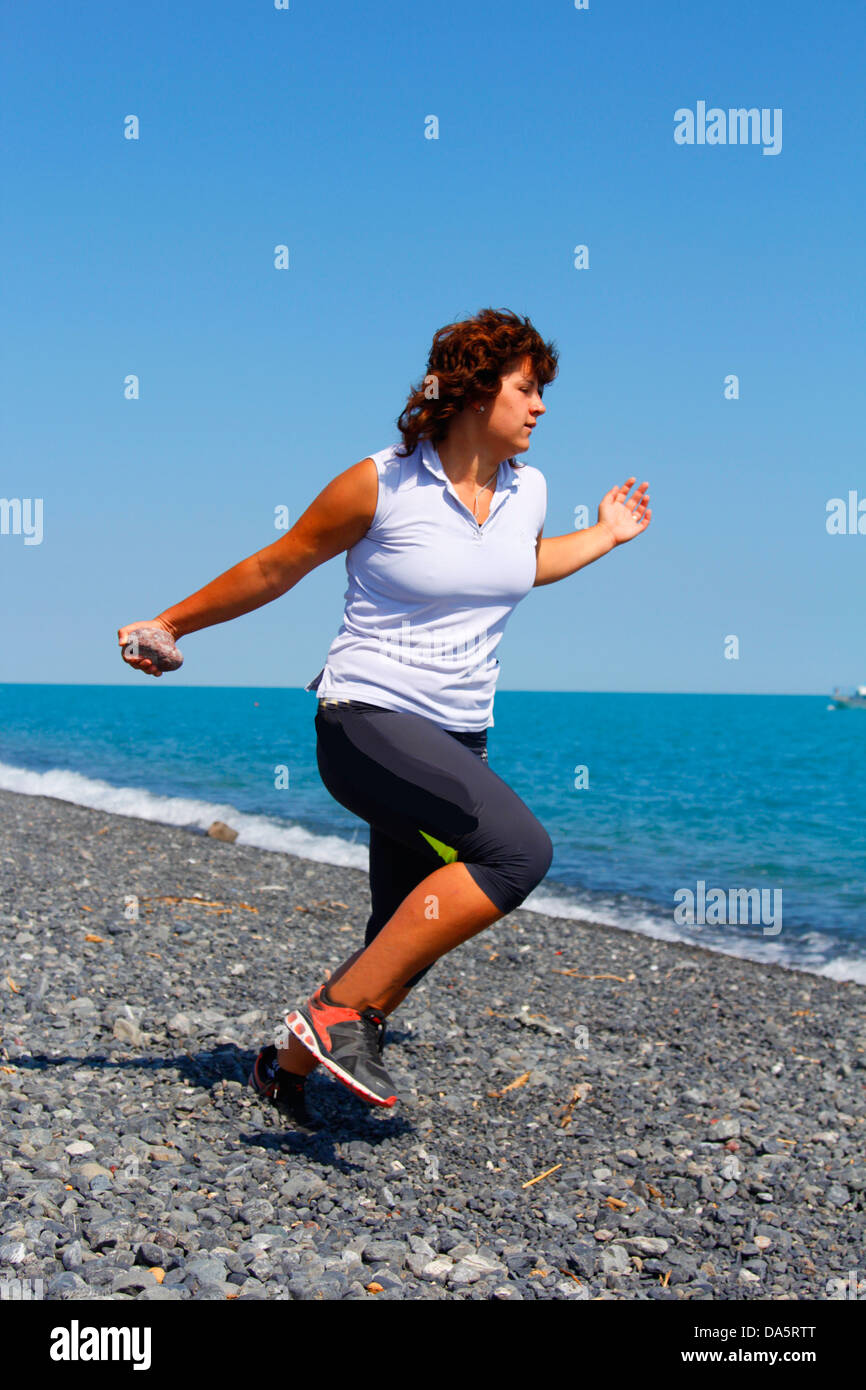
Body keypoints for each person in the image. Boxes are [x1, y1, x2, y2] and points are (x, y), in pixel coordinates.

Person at [118, 306, 651, 1126]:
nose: (541, 406)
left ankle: (283, 1067)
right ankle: (336, 1018)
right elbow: (275, 564)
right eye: (526, 388)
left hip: (459, 737)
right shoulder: (381, 482)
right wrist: (170, 623)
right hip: (367, 722)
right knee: (519, 853)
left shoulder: (530, 490)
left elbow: (519, 566)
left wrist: (607, 536)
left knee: (403, 929)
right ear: (477, 393)